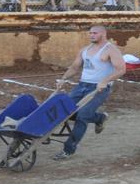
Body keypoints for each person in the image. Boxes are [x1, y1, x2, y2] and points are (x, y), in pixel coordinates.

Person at [50, 24, 125, 161]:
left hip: (99, 88)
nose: (91, 35)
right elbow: (74, 67)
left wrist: (105, 81)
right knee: (66, 111)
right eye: (90, 33)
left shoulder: (110, 50)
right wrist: (63, 79)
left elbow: (121, 69)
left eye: (95, 33)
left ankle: (68, 149)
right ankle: (99, 118)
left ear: (103, 34)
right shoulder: (85, 50)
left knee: (83, 116)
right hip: (82, 86)